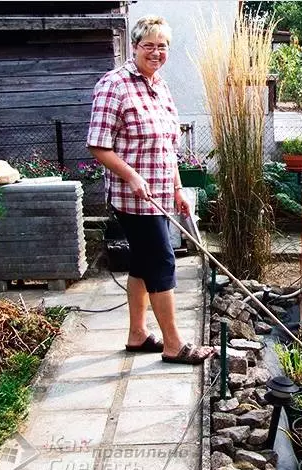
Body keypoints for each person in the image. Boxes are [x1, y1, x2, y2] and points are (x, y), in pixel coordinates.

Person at [87, 15, 215, 364]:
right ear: (135, 47)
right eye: (149, 45)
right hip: (134, 198)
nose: (156, 52)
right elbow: (98, 145)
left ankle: (138, 334)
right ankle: (173, 344)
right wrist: (130, 175)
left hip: (160, 192)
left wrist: (177, 190)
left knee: (143, 265)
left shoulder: (160, 87)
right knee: (161, 260)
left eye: (162, 46)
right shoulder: (114, 85)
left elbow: (167, 148)